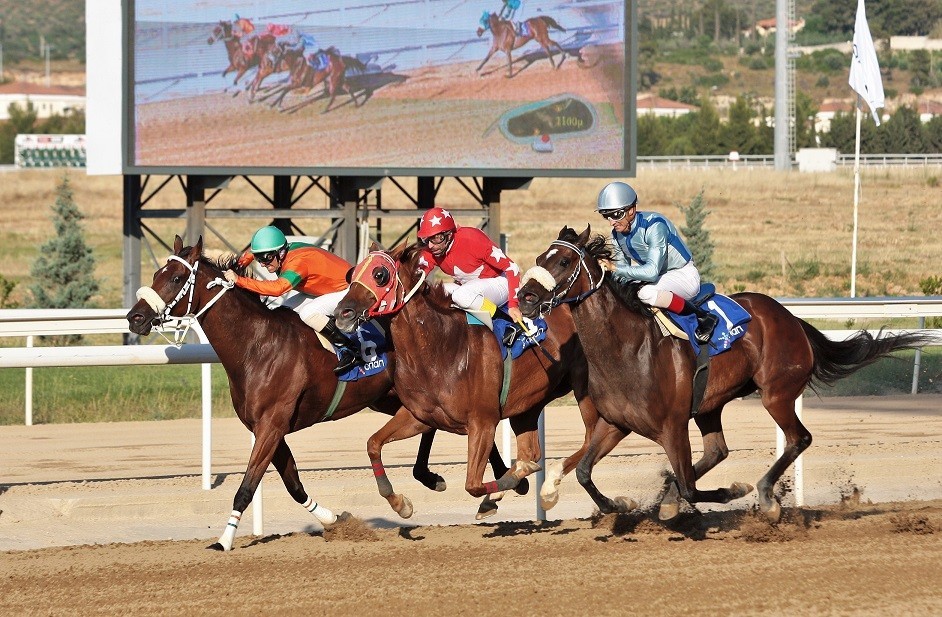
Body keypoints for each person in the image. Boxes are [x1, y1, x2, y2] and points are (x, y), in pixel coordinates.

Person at [223, 226, 361, 375]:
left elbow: (278, 289)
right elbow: (252, 252)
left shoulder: (297, 263)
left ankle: (350, 350)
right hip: (323, 290)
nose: (262, 264)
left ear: (280, 253)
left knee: (308, 313)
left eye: (266, 258)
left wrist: (239, 280)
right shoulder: (280, 253)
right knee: (283, 312)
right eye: (259, 258)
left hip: (348, 290)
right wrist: (239, 265)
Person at [597, 181, 718, 344]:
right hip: (658, 279)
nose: (612, 222)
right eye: (607, 216)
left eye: (616, 215)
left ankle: (703, 317)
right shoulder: (617, 235)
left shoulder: (655, 225)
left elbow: (652, 272)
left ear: (631, 210)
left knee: (645, 293)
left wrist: (614, 268)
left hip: (684, 275)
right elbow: (622, 274)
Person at [415, 207, 524, 331]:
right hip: (471, 289)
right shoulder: (431, 250)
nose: (431, 245)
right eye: (427, 239)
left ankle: (504, 320)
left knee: (461, 295)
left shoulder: (472, 239)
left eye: (436, 238)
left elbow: (512, 268)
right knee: (434, 292)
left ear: (449, 234)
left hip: (500, 283)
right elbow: (415, 277)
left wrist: (513, 305)